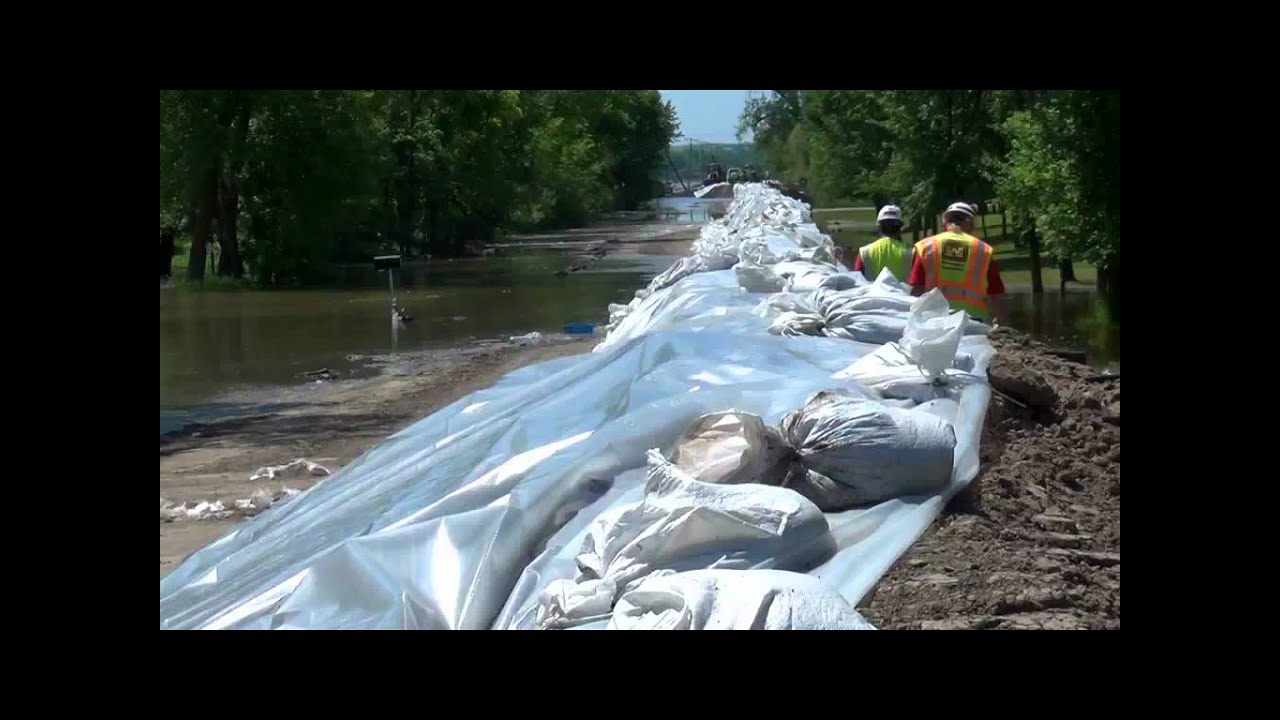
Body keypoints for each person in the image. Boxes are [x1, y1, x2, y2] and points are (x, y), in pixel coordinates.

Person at [909, 202, 1004, 322]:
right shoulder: (983, 250)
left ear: (945, 222)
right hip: (973, 321)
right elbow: (996, 293)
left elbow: (917, 289)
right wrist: (999, 321)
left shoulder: (926, 247)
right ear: (971, 223)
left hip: (934, 320)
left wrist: (912, 319)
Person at [853, 205, 913, 281]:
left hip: (872, 289)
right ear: (900, 228)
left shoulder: (864, 252)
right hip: (904, 289)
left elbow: (857, 280)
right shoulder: (912, 252)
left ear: (879, 227)